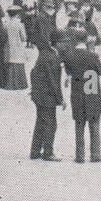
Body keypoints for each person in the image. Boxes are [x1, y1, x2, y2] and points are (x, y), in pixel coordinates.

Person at [66, 36, 101, 163]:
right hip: (92, 93)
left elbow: (68, 72)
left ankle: (80, 156)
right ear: (86, 41)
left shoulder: (70, 56)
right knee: (94, 125)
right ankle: (95, 154)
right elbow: (100, 71)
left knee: (79, 125)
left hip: (77, 94)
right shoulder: (92, 56)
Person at [30, 30, 65, 161]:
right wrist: (61, 99)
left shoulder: (46, 53)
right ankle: (48, 153)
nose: (65, 45)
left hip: (39, 95)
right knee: (51, 124)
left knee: (40, 122)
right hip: (46, 96)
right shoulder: (52, 57)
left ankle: (35, 151)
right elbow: (53, 81)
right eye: (63, 42)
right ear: (57, 43)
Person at [4, 7, 31, 91]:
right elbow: (24, 38)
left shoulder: (6, 24)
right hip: (18, 47)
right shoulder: (20, 24)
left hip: (9, 46)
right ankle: (20, 84)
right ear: (17, 14)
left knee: (11, 63)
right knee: (18, 63)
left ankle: (10, 84)